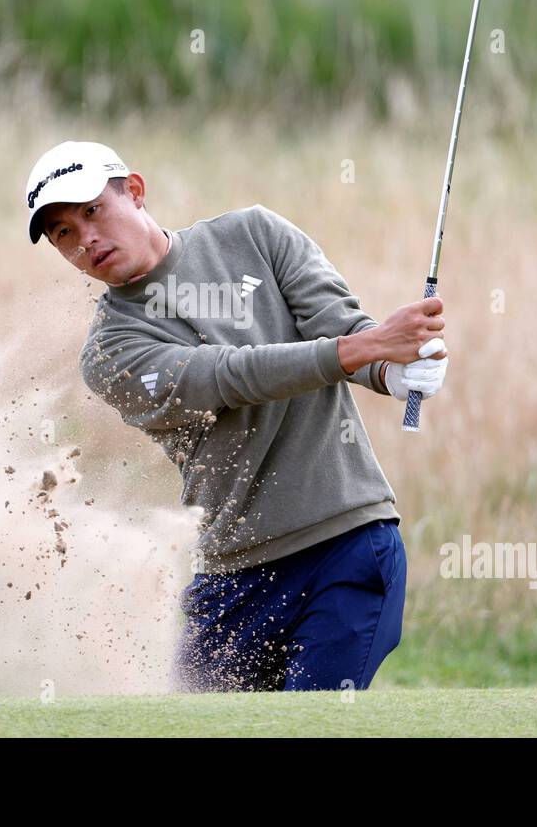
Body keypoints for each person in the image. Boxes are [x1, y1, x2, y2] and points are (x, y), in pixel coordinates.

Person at [24, 140, 448, 692]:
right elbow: (226, 377)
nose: (86, 239)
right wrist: (367, 350)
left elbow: (339, 323)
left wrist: (394, 373)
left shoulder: (255, 234)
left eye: (91, 211)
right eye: (63, 234)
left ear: (134, 191)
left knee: (311, 729)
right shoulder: (110, 352)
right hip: (233, 578)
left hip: (347, 544)